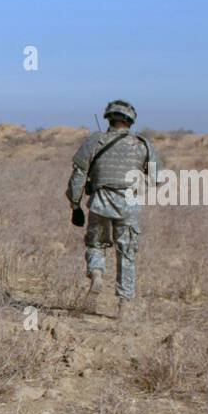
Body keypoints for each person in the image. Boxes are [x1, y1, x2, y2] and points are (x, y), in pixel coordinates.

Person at [66, 99, 164, 320]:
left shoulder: (95, 141)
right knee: (126, 253)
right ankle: (124, 305)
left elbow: (78, 175)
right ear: (130, 121)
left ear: (109, 118)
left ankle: (97, 274)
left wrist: (75, 204)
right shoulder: (143, 144)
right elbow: (158, 178)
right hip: (129, 204)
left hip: (100, 201)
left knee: (96, 244)